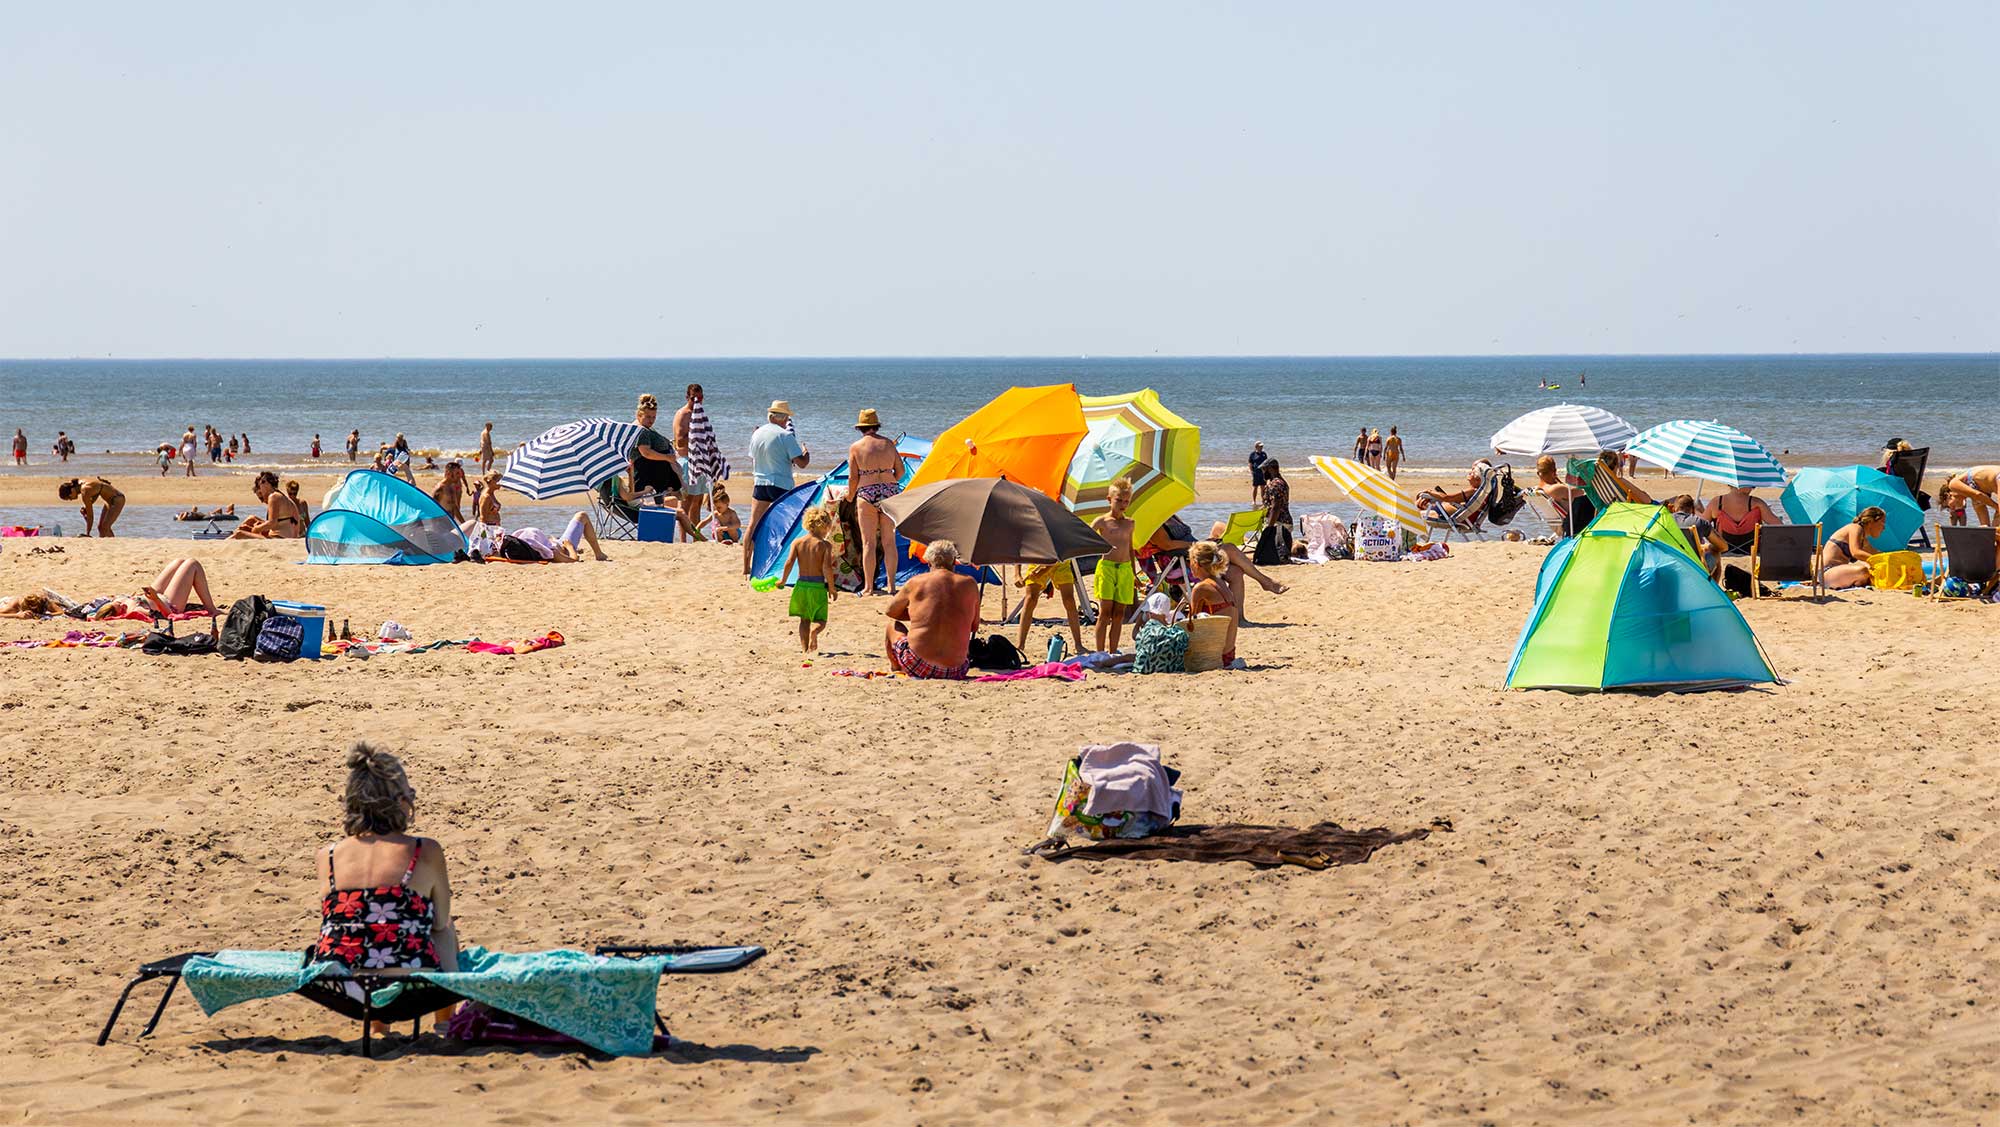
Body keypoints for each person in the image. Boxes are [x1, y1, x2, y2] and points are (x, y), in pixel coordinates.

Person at [312, 743, 460, 1029]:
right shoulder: (424, 851)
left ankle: (379, 1028)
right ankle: (445, 1023)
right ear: (401, 801)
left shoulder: (326, 856)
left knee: (361, 924)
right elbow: (440, 921)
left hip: (341, 985)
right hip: (409, 977)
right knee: (444, 929)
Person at [884, 540, 979, 680]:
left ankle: (896, 667)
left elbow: (891, 611)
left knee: (892, 626)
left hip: (917, 664)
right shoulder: (970, 584)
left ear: (928, 563)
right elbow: (974, 626)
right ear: (953, 562)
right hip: (956, 669)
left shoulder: (916, 582)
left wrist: (919, 615)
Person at [743, 400, 808, 574]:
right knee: (787, 525)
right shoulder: (785, 436)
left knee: (752, 524)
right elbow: (801, 463)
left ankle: (745, 566)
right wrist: (806, 452)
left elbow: (753, 457)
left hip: (761, 483)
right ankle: (782, 564)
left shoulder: (756, 434)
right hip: (782, 484)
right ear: (784, 417)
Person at [845, 408, 903, 596]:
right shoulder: (888, 444)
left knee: (868, 543)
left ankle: (869, 587)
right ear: (876, 425)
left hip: (866, 493)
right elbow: (900, 472)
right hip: (889, 491)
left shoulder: (856, 447)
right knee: (889, 542)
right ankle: (892, 586)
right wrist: (888, 478)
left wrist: (849, 495)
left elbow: (853, 478)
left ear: (860, 427)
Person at [1090, 478, 1139, 653]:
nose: (1123, 504)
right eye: (1119, 500)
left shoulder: (1130, 523)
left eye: (1126, 501)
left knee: (1119, 614)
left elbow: (1130, 549)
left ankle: (1112, 651)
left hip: (1125, 569)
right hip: (1107, 568)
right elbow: (1086, 537)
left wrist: (1134, 574)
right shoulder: (1102, 522)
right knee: (1105, 613)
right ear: (1109, 499)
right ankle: (1100, 652)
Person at [781, 506, 837, 653]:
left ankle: (805, 649)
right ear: (826, 526)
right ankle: (815, 632)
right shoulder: (824, 545)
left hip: (800, 586)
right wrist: (831, 587)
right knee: (821, 620)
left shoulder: (797, 542)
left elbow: (789, 563)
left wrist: (783, 581)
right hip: (817, 586)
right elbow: (827, 568)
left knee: (804, 620)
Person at [1187, 540, 1240, 667]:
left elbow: (1191, 625)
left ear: (1195, 564)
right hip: (1229, 655)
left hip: (1213, 656)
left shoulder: (1201, 588)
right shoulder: (1221, 584)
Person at [1015, 559, 1084, 657]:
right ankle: (1020, 645)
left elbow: (1060, 553)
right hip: (1038, 561)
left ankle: (1078, 644)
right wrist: (1017, 574)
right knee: (1030, 599)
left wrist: (1043, 571)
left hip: (1060, 562)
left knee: (1069, 601)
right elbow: (1019, 549)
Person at [628, 394, 684, 509]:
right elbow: (646, 453)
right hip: (649, 476)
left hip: (655, 475)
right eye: (648, 417)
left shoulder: (643, 427)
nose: (651, 420)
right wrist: (667, 458)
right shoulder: (641, 430)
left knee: (673, 500)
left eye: (653, 417)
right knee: (672, 501)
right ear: (639, 415)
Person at [1821, 506, 1888, 590]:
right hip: (1826, 573)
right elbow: (1856, 552)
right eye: (1883, 522)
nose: (1884, 527)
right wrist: (1880, 561)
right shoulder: (1855, 528)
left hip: (1835, 574)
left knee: (1871, 573)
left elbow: (1875, 553)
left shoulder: (1863, 538)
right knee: (1863, 571)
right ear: (1871, 521)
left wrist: (1889, 558)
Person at [502, 512, 610, 563]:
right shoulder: (551, 553)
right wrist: (570, 547)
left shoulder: (532, 548)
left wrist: (548, 542)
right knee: (582, 516)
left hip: (552, 543)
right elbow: (574, 560)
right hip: (562, 547)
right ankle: (598, 554)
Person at [1702, 484, 1778, 556]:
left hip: (1724, 549)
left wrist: (1697, 510)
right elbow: (1778, 525)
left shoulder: (1716, 502)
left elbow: (1700, 525)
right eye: (1752, 486)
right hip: (1751, 549)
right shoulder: (1757, 503)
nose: (1753, 489)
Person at [230, 471, 306, 539]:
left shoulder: (273, 497)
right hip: (285, 536)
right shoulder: (281, 496)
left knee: (239, 534)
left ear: (266, 484)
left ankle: (223, 544)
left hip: (279, 538)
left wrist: (255, 529)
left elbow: (272, 523)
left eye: (260, 485)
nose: (260, 489)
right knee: (247, 527)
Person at [1533, 455, 1593, 536]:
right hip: (1571, 524)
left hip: (1557, 524)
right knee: (1586, 500)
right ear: (1554, 471)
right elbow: (1582, 491)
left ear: (1538, 473)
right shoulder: (1557, 489)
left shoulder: (1539, 489)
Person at [143, 558, 218, 617]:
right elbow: (162, 614)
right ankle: (211, 609)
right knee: (192, 563)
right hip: (168, 605)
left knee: (179, 562)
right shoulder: (137, 610)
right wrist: (156, 599)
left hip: (150, 598)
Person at [58, 476, 125, 537]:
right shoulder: (82, 483)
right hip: (108, 501)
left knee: (105, 527)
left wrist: (87, 533)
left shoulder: (85, 491)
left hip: (117, 499)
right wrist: (87, 508)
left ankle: (111, 545)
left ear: (72, 490)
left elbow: (90, 516)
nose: (71, 500)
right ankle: (105, 544)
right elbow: (97, 492)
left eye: (69, 498)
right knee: (100, 527)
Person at [1261, 459, 1292, 530]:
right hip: (1284, 522)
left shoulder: (1275, 485)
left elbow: (1276, 507)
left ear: (1270, 469)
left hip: (1278, 523)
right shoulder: (1281, 481)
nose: (1263, 472)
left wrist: (1269, 527)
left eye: (1264, 469)